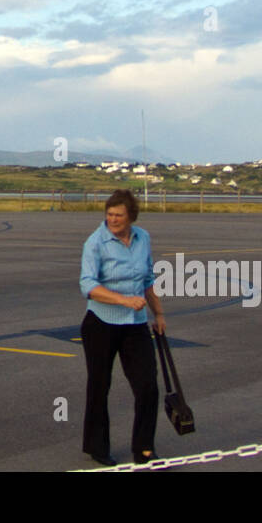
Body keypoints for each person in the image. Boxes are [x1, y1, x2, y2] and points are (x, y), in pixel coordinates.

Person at [79, 188, 165, 467]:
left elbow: (148, 278)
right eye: (109, 214)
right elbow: (88, 286)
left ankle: (144, 448)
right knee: (100, 386)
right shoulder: (95, 242)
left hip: (136, 325)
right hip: (101, 323)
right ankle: (97, 446)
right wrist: (123, 300)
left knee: (148, 386)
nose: (112, 219)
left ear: (131, 217)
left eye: (119, 215)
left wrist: (159, 314)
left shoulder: (143, 238)